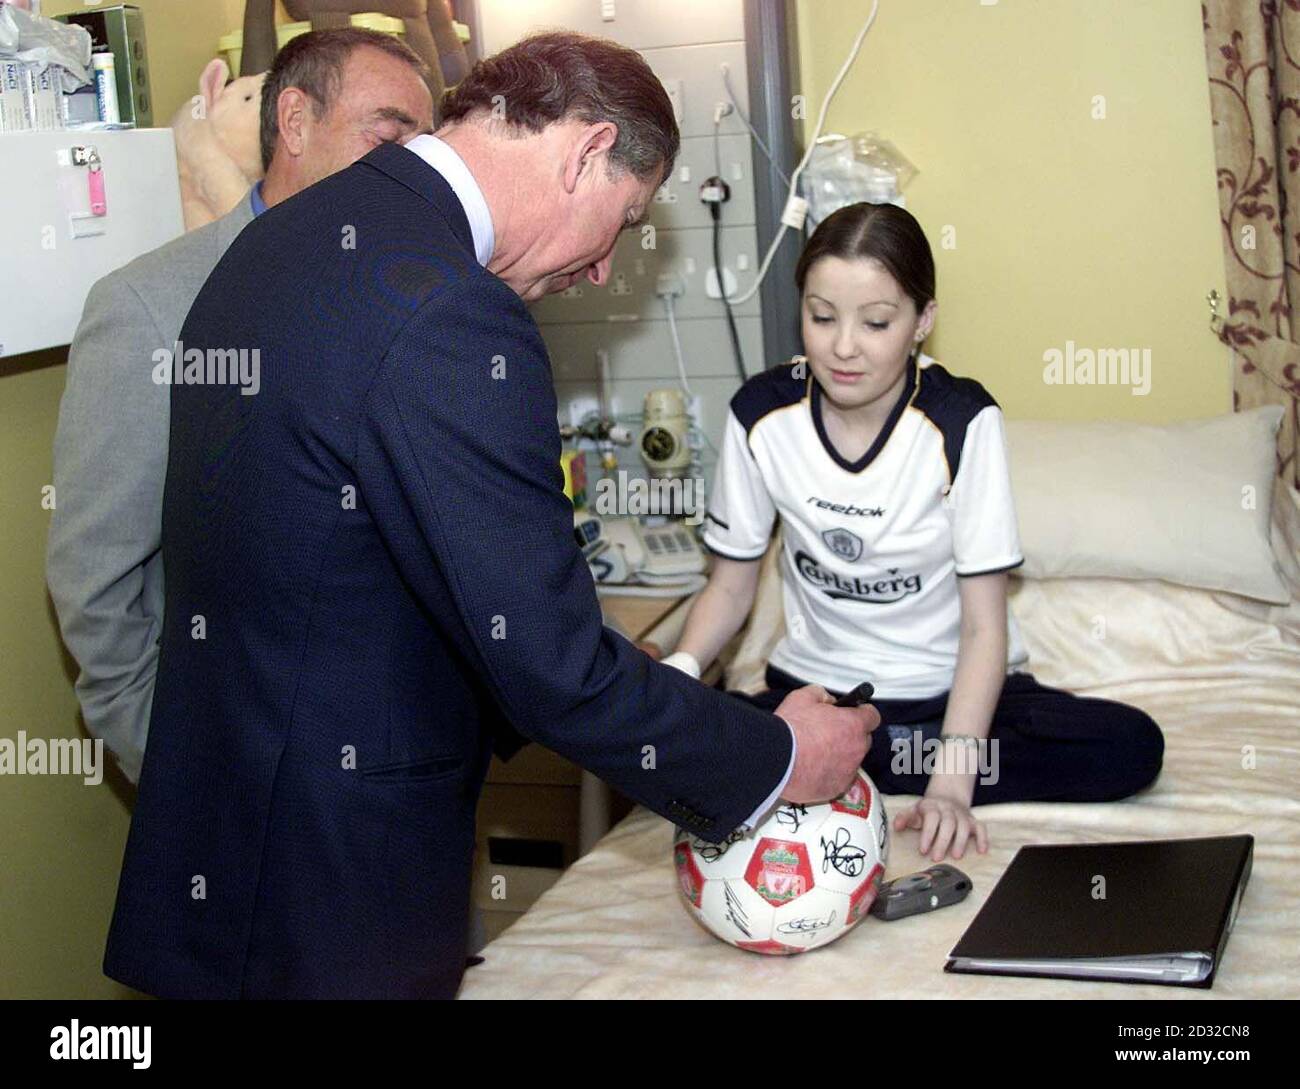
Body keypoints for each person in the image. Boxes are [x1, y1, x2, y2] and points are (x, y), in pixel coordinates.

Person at [100, 31, 877, 1000]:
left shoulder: (283, 239)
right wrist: (780, 754)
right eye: (626, 221)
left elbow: (355, 574)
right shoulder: (450, 312)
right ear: (587, 152)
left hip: (228, 848)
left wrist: (601, 667)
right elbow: (552, 669)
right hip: (331, 887)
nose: (600, 272)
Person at [671, 202, 1165, 865]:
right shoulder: (761, 413)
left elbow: (985, 627)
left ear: (922, 322)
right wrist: (675, 678)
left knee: (1130, 747)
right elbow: (730, 591)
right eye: (822, 317)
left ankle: (831, 769)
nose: (844, 345)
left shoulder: (962, 421)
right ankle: (813, 756)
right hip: (817, 699)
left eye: (876, 322)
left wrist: (953, 782)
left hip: (946, 702)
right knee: (669, 757)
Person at [47, 28, 436, 784]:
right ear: (294, 122)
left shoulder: (415, 293)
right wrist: (192, 770)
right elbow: (95, 586)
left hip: (404, 775)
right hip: (242, 787)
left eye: (423, 146)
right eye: (388, 136)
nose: (411, 168)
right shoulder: (151, 308)